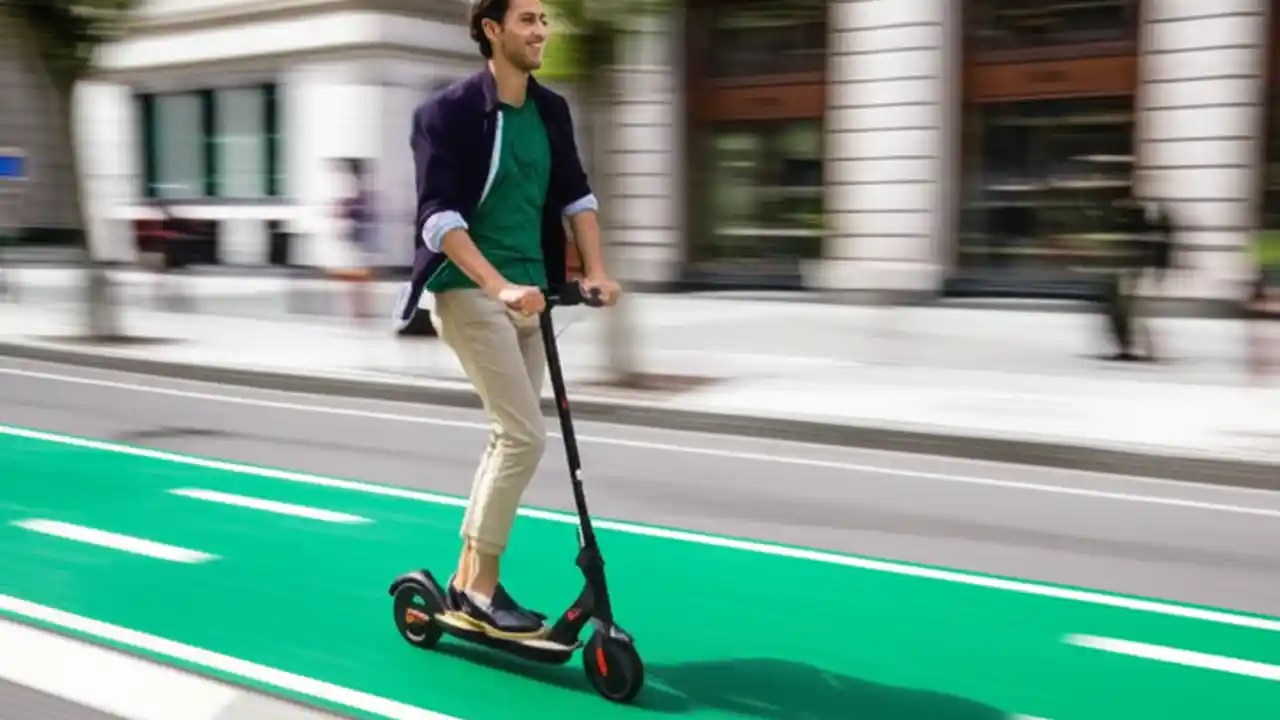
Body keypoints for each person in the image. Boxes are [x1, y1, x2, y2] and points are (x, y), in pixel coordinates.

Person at [394, 0, 621, 640]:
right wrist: (498, 287)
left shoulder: (551, 111)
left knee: (507, 437)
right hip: (470, 290)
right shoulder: (450, 113)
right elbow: (438, 220)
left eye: (544, 19)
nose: (540, 31)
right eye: (526, 19)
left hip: (535, 295)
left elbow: (577, 194)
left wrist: (596, 271)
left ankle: (467, 578)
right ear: (491, 30)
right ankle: (481, 588)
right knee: (524, 437)